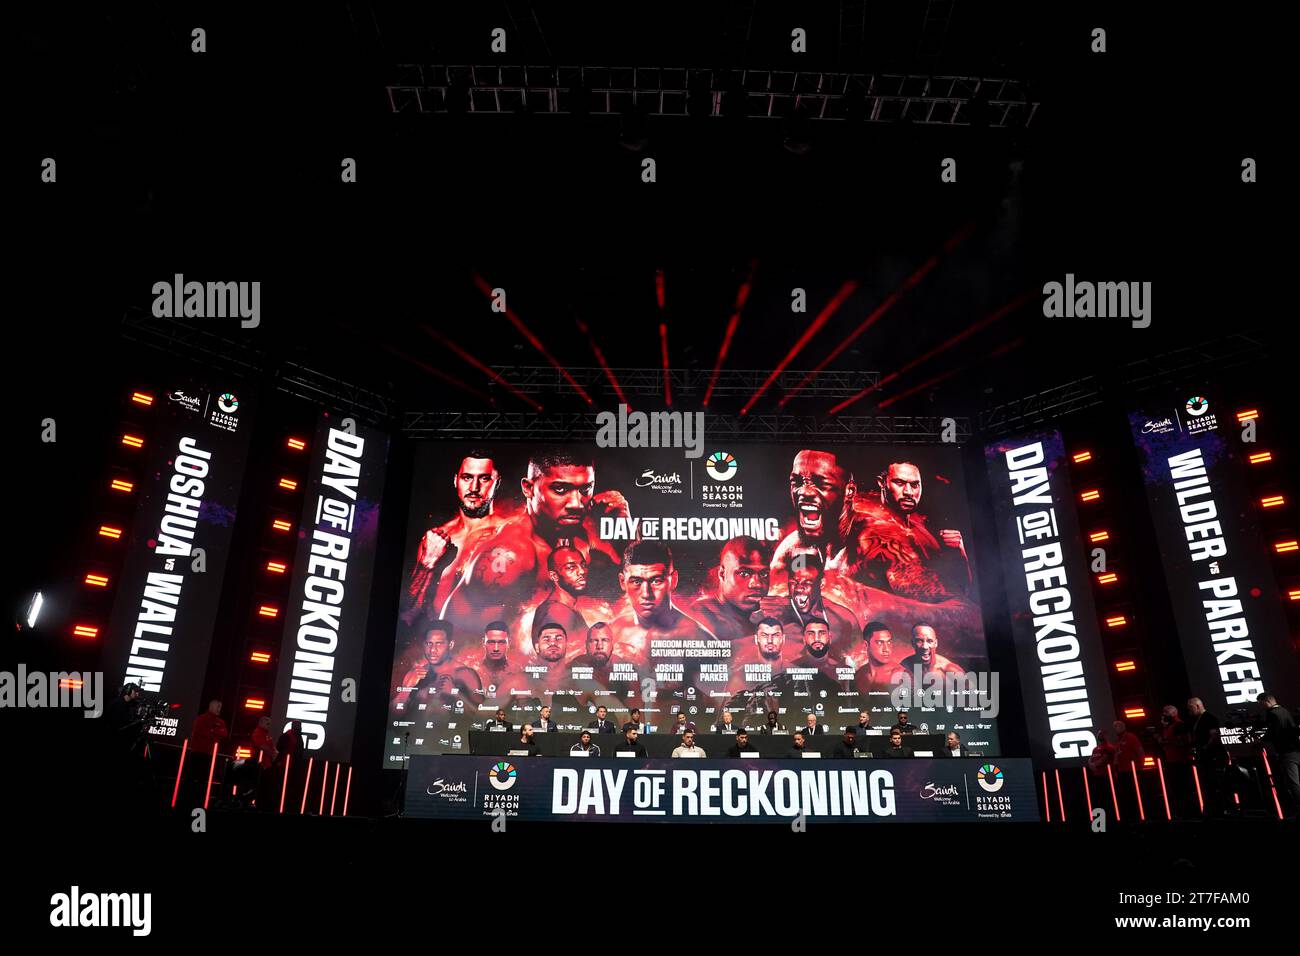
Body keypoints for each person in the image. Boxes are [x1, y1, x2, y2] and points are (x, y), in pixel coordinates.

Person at [442, 449, 629, 636]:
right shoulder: (508, 558)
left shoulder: (587, 525)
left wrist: (626, 526)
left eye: (585, 489)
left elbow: (636, 580)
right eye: (560, 489)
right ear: (528, 488)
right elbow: (453, 637)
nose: (576, 504)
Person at [400, 451, 507, 626]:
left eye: (484, 478)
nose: (474, 487)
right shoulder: (436, 537)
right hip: (435, 646)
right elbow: (407, 613)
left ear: (497, 482)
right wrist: (426, 566)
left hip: (482, 646)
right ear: (456, 480)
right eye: (467, 477)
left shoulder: (510, 532)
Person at [841, 460, 970, 601]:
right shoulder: (873, 527)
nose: (908, 492)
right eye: (900, 483)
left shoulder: (919, 523)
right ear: (882, 483)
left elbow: (963, 589)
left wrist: (960, 552)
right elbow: (928, 595)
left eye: (915, 485)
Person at [606, 540, 719, 667]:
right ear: (622, 582)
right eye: (636, 582)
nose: (646, 594)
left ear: (673, 580)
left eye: (656, 581)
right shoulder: (611, 632)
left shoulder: (698, 639)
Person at [691, 536, 773, 640]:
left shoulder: (761, 617)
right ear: (722, 574)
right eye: (744, 574)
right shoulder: (699, 616)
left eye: (764, 574)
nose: (757, 584)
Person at [531, 546, 592, 648]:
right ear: (554, 576)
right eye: (571, 568)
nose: (582, 571)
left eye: (583, 565)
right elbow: (563, 659)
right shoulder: (558, 611)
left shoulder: (564, 607)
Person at [1256, 693, 1300, 816]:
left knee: (1293, 783)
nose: (1261, 707)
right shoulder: (1285, 710)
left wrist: (1261, 739)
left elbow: (1274, 732)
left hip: (1287, 753)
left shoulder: (1272, 714)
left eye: (1261, 704)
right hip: (1296, 750)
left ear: (1266, 701)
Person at [854, 622, 897, 693]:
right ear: (865, 645)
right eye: (880, 643)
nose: (886, 649)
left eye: (889, 642)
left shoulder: (901, 676)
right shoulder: (858, 675)